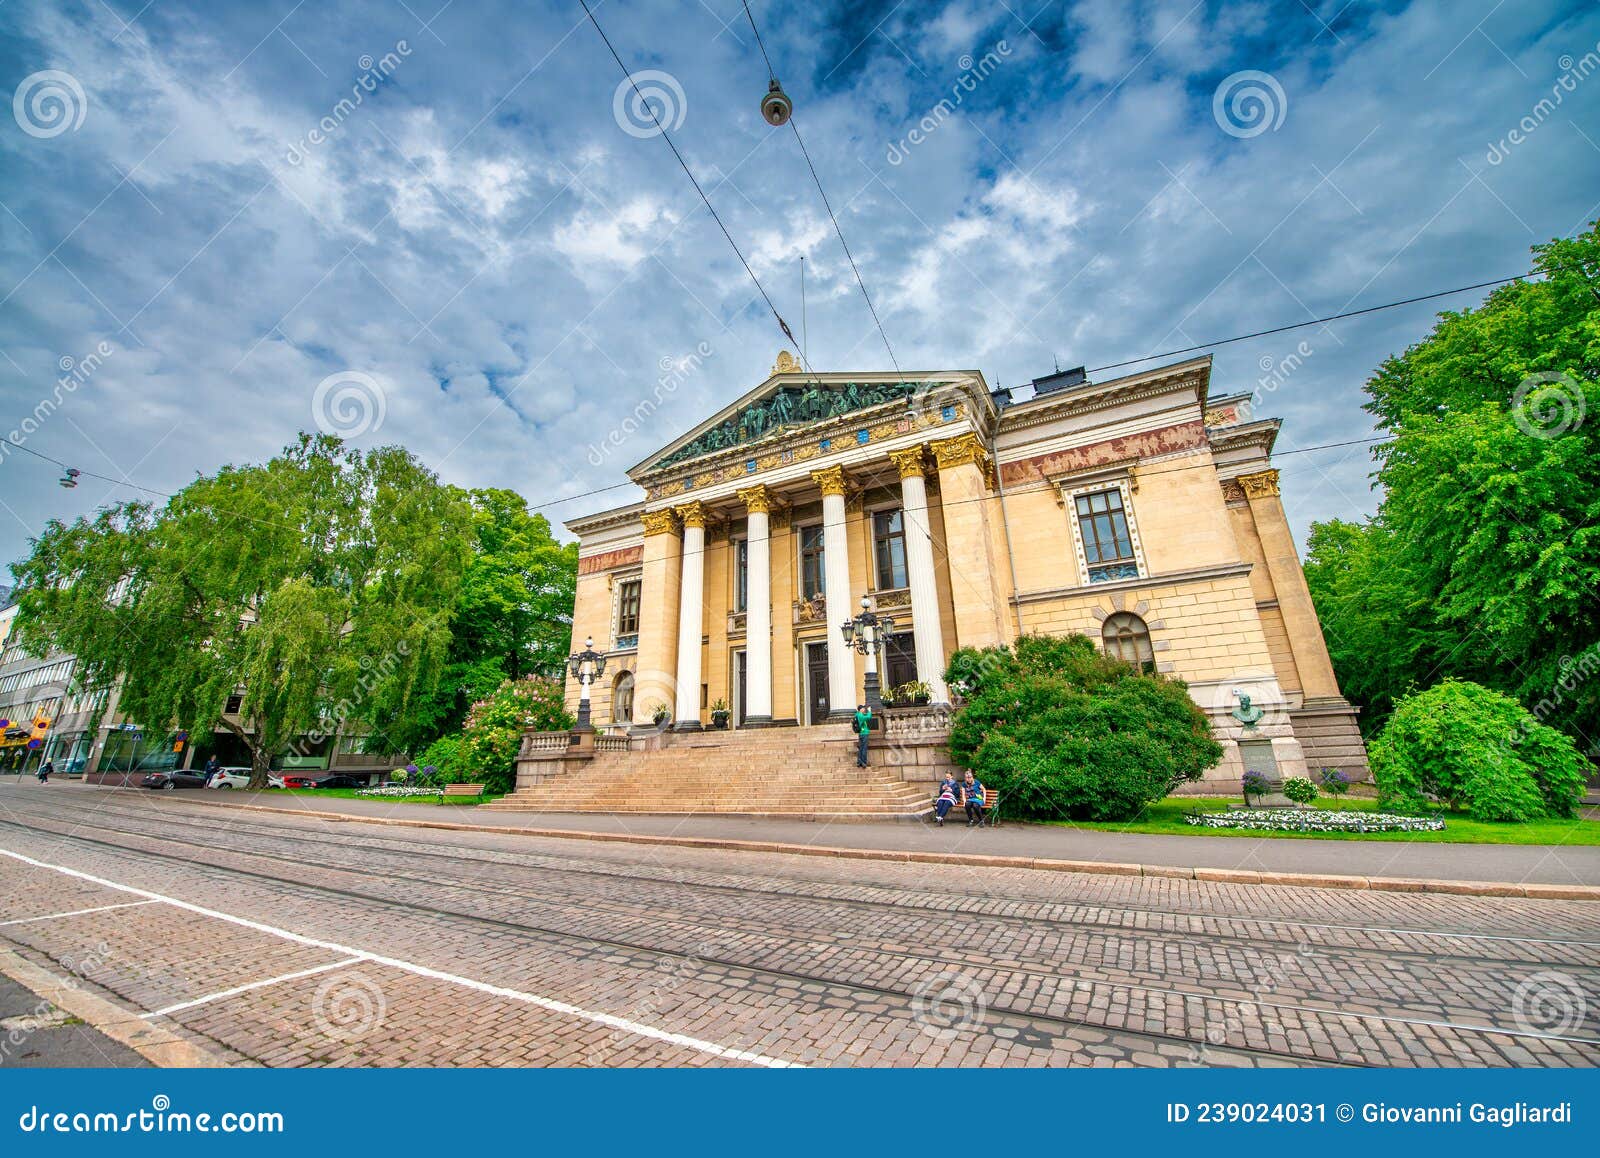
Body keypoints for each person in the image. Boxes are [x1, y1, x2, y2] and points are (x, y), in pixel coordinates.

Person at [852, 703, 873, 768]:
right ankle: (863, 762)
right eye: (863, 708)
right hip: (864, 733)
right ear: (860, 709)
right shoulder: (861, 716)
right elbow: (868, 717)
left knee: (861, 748)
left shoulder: (857, 714)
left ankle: (859, 762)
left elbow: (864, 715)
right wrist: (869, 711)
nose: (864, 709)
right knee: (864, 748)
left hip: (861, 733)